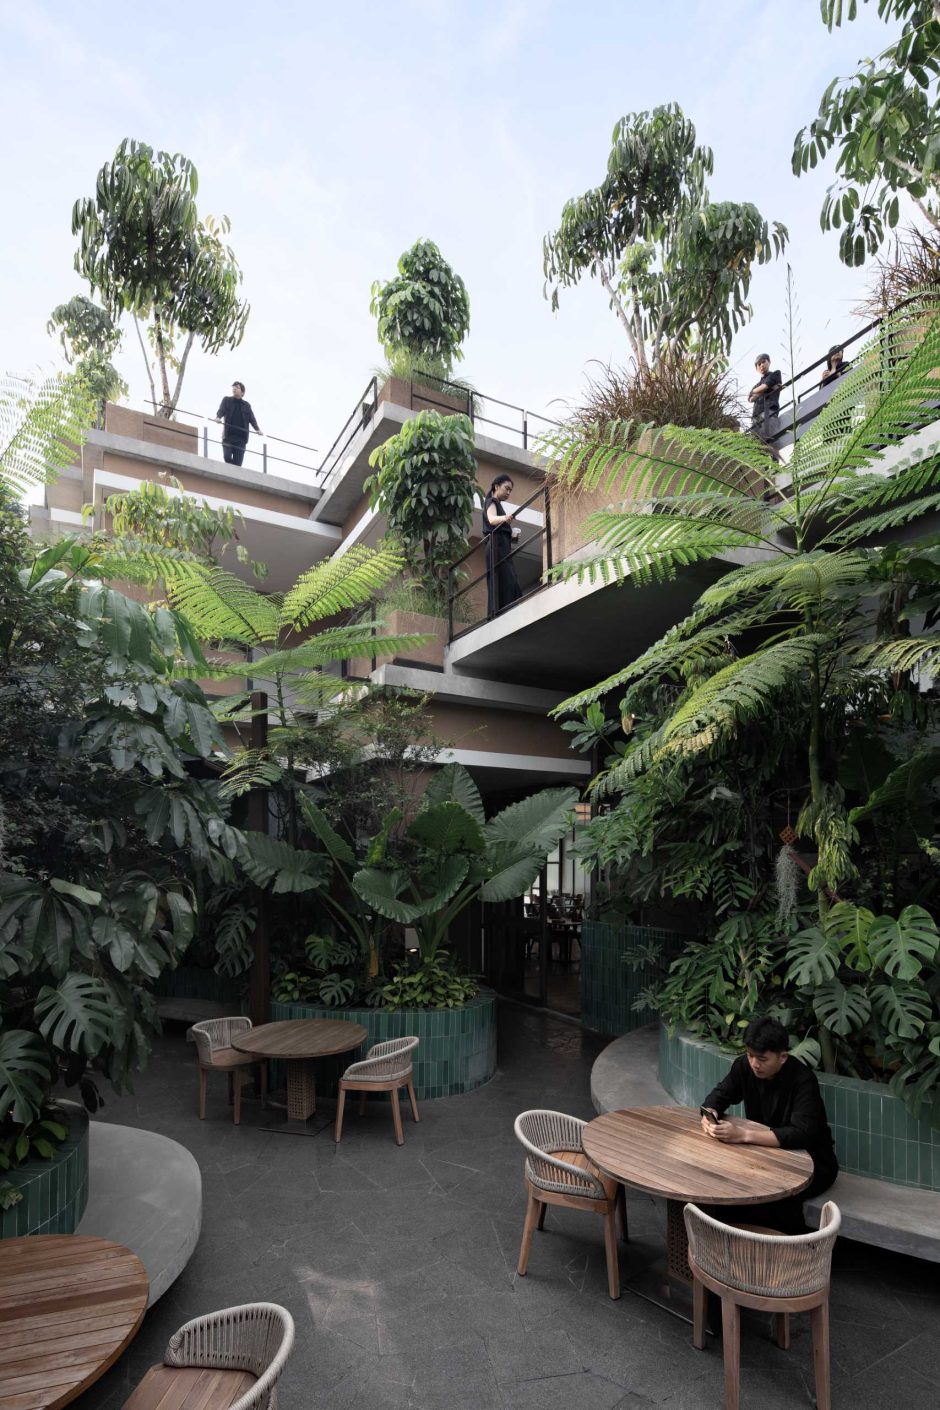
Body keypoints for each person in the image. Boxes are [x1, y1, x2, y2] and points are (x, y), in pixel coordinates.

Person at [700, 1016, 838, 1235]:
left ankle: (784, 1248)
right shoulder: (744, 1066)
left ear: (782, 1057)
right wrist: (710, 1115)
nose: (754, 1064)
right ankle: (727, 1241)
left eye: (762, 1059)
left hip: (812, 1161)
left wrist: (743, 1135)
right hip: (765, 1155)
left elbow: (800, 1134)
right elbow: (718, 1096)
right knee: (725, 1182)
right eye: (750, 1055)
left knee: (776, 1194)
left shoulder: (803, 1080)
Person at [483, 474, 522, 617]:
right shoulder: (491, 501)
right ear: (496, 486)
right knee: (506, 580)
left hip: (501, 547)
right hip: (496, 546)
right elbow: (491, 519)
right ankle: (503, 613)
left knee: (507, 580)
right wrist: (505, 518)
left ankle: (504, 612)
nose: (508, 493)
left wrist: (510, 534)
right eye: (506, 488)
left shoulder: (497, 504)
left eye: (510, 490)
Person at [215, 382, 261, 466]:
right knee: (227, 457)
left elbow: (252, 419)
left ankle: (231, 471)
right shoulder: (227, 400)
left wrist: (257, 429)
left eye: (237, 387)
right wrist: (218, 417)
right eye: (233, 387)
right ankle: (230, 469)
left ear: (242, 392)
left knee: (238, 464)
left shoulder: (246, 405)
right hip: (228, 437)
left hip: (241, 439)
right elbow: (222, 410)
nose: (234, 388)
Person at [748, 354, 782, 444]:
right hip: (755, 416)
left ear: (769, 362)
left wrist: (759, 391)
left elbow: (765, 386)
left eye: (763, 362)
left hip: (769, 411)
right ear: (756, 369)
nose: (761, 365)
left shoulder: (775, 374)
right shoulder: (756, 385)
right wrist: (764, 389)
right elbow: (750, 398)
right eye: (758, 364)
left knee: (768, 442)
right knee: (755, 445)